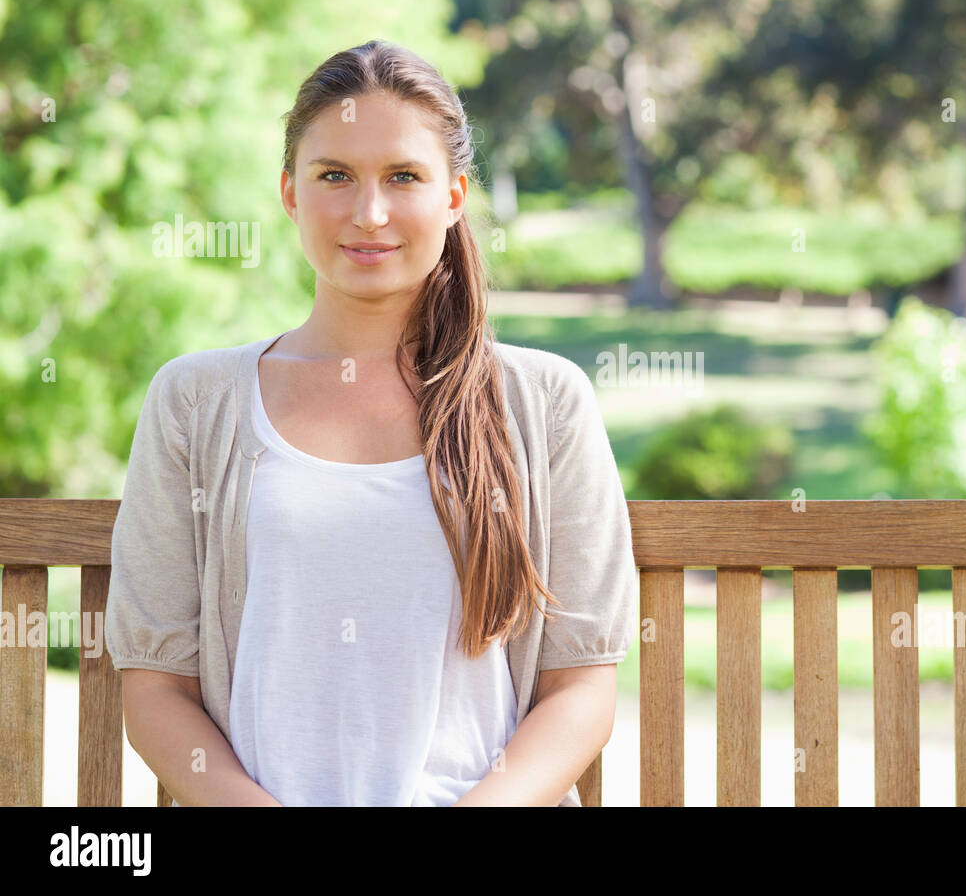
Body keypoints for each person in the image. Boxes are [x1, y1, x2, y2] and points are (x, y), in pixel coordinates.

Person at [105, 40, 638, 807]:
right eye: (335, 177)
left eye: (403, 177)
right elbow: (156, 691)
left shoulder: (546, 402)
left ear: (455, 198)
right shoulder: (194, 400)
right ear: (290, 193)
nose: (370, 213)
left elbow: (580, 690)